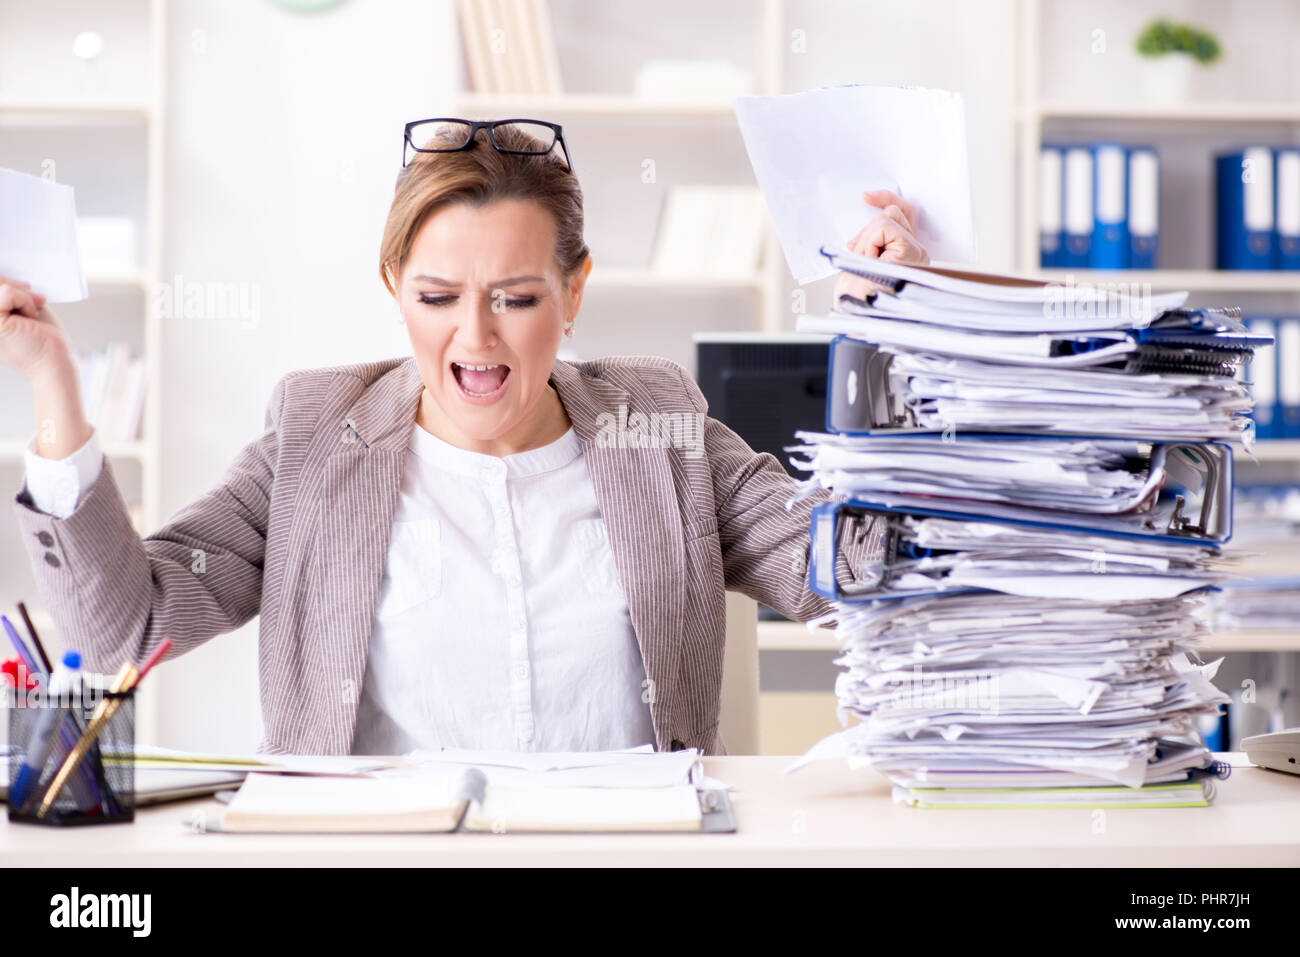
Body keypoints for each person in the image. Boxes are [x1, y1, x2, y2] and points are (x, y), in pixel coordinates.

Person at [0, 118, 930, 755]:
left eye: (516, 298)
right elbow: (125, 629)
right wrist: (53, 384)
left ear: (574, 292)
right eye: (438, 297)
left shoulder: (661, 424)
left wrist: (898, 338)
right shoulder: (318, 435)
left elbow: (858, 571)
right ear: (394, 284)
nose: (475, 337)